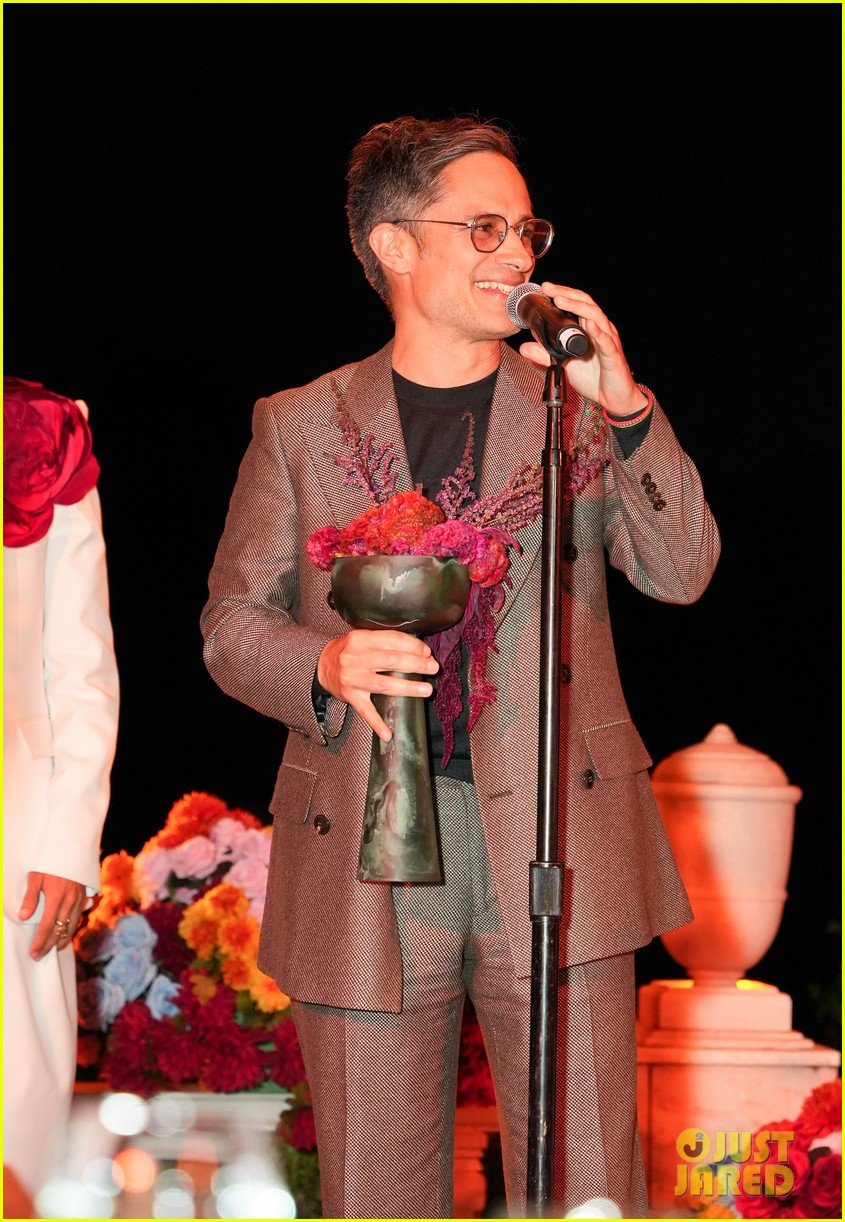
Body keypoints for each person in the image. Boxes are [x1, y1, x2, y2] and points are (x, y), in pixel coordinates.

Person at [201, 115, 720, 1219]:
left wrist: (623, 406)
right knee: (377, 1194)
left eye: (522, 228)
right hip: (371, 850)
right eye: (481, 228)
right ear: (393, 245)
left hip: (557, 843)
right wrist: (326, 657)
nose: (516, 257)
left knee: (584, 1189)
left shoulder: (573, 412)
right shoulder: (299, 425)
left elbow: (681, 571)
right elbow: (231, 625)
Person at [3, 377, 120, 1209]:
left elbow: (79, 664)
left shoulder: (38, 433)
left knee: (17, 1121)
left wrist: (68, 839)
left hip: (15, 836)